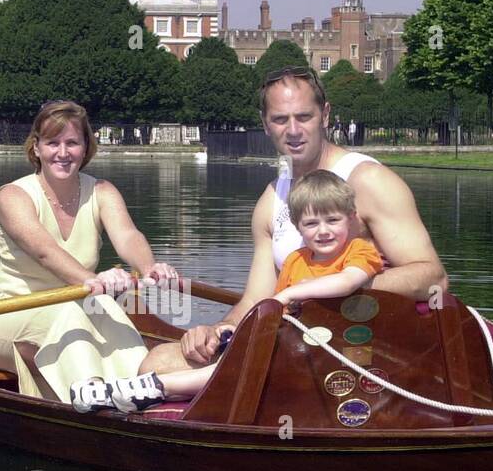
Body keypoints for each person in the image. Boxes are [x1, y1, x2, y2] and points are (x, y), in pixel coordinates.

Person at [139, 65, 449, 378]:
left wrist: (332, 288)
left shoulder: (370, 181)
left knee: (168, 371)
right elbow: (257, 298)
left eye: (304, 117)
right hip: (295, 342)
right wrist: (218, 330)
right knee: (158, 363)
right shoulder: (270, 200)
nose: (294, 130)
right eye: (280, 119)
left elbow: (434, 279)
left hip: (362, 351)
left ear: (325, 115)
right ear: (265, 124)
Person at [72, 170, 383, 412]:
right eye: (312, 223)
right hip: (293, 345)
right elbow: (279, 314)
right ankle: (134, 389)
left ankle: (149, 388)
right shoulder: (296, 259)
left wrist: (289, 295)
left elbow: (348, 281)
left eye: (333, 220)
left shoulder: (358, 251)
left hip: (334, 353)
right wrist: (234, 329)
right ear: (299, 228)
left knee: (233, 369)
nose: (324, 230)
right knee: (232, 353)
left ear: (352, 220)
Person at [0, 101, 179, 401]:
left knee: (108, 307)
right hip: (6, 316)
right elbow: (45, 252)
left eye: (72, 143)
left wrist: (149, 268)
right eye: (52, 142)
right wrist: (92, 281)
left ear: (86, 148)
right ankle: (91, 394)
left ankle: (143, 387)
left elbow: (127, 235)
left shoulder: (102, 191)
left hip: (77, 308)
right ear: (36, 148)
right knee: (72, 311)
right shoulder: (12, 196)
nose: (62, 152)